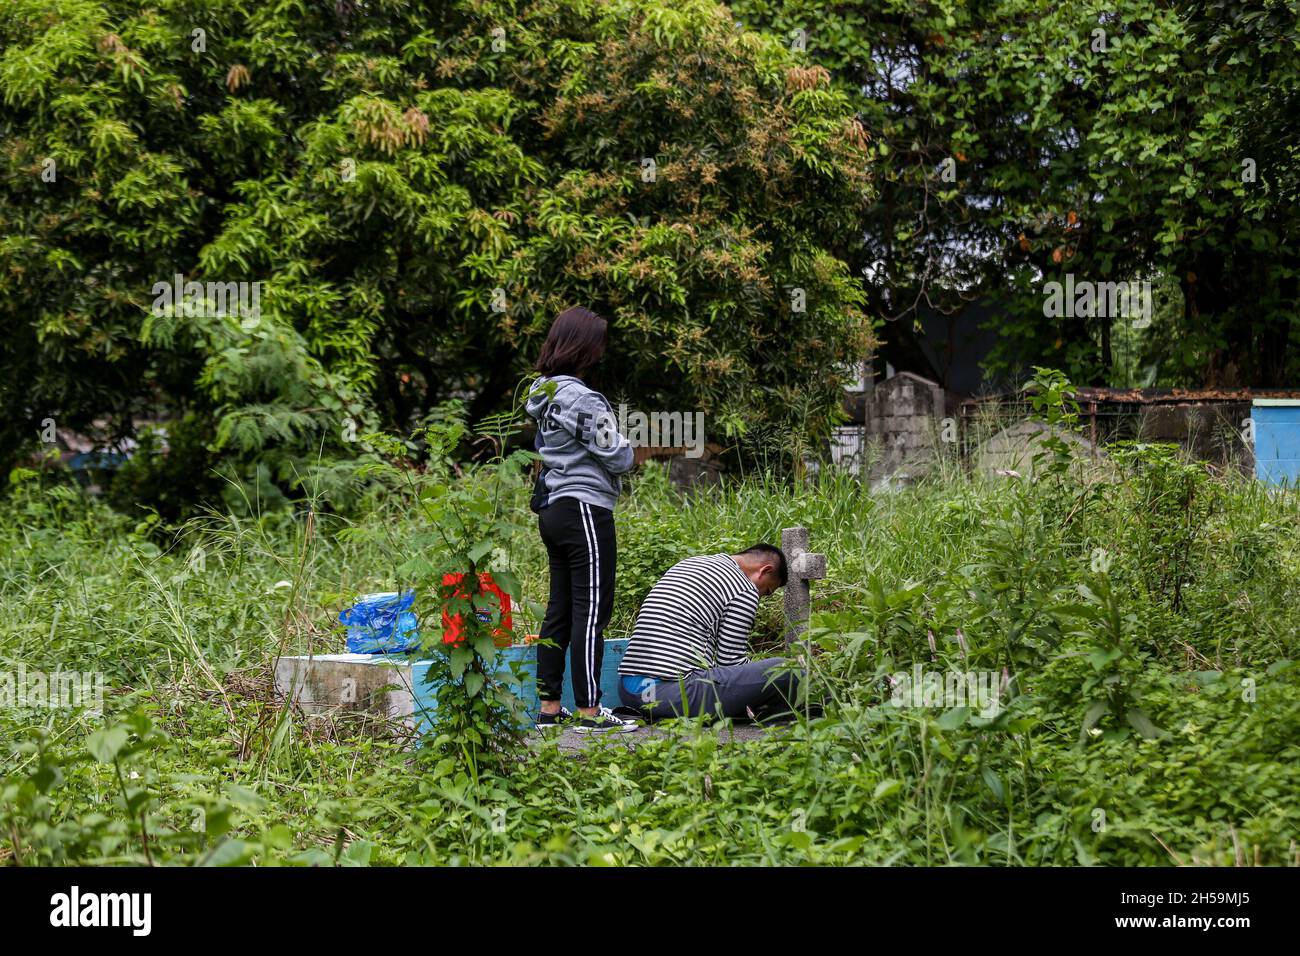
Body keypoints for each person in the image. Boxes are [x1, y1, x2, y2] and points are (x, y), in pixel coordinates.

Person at [524, 306, 637, 734]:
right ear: (583, 347)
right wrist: (625, 441)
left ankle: (550, 709)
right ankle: (591, 711)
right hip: (585, 508)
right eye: (598, 345)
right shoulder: (581, 397)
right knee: (591, 612)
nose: (600, 353)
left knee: (559, 611)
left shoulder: (543, 393)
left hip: (554, 509)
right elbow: (619, 454)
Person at [617, 545, 801, 721]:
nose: (760, 597)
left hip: (630, 692)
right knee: (785, 670)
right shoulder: (744, 589)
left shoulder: (692, 564)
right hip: (668, 695)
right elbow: (731, 662)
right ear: (764, 571)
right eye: (766, 591)